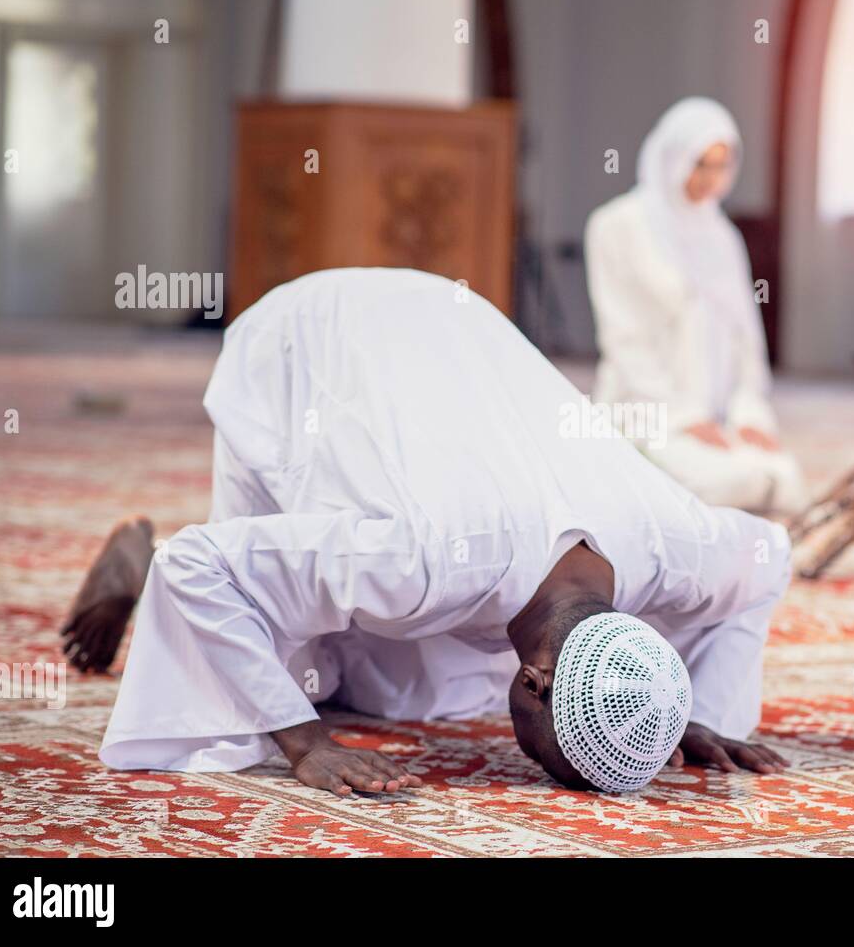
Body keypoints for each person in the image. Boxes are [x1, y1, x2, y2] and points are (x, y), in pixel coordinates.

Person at [64, 268, 791, 796]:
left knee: (407, 690)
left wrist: (687, 712)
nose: (527, 764)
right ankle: (143, 558)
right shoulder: (417, 560)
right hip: (312, 331)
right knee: (271, 674)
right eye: (544, 760)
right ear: (533, 684)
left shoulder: (678, 547)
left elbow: (770, 556)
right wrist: (305, 744)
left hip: (455, 320)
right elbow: (203, 565)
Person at [585, 97, 808, 515]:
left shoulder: (722, 236)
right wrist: (683, 416)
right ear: (672, 157)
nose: (712, 179)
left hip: (715, 420)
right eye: (701, 164)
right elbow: (623, 338)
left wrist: (749, 417)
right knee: (731, 480)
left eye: (722, 166)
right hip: (647, 412)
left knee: (783, 477)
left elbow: (746, 341)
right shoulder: (616, 226)